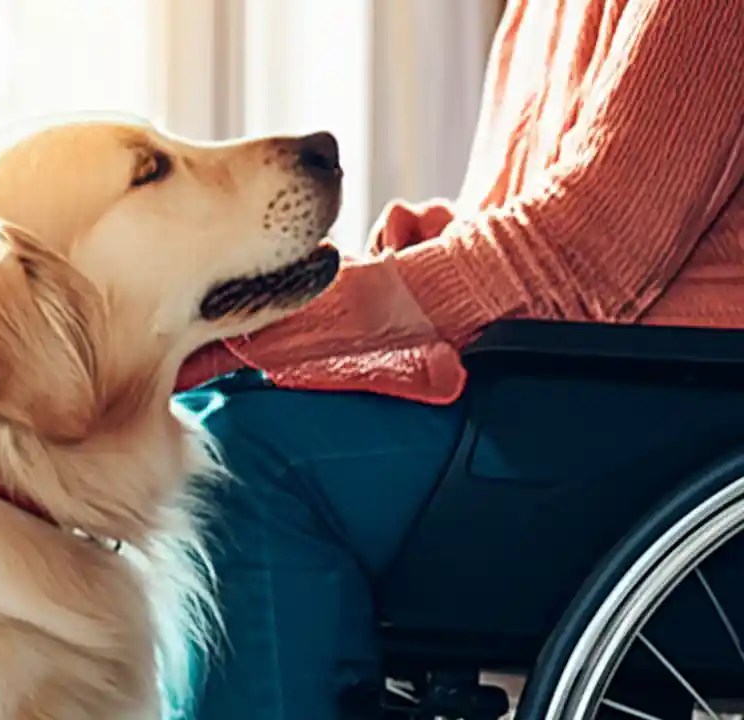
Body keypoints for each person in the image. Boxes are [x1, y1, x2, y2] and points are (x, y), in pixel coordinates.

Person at [174, 0, 744, 717]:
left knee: (238, 454)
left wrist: (241, 335)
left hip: (670, 408)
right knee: (194, 421)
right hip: (587, 382)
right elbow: (523, 227)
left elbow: (576, 254)